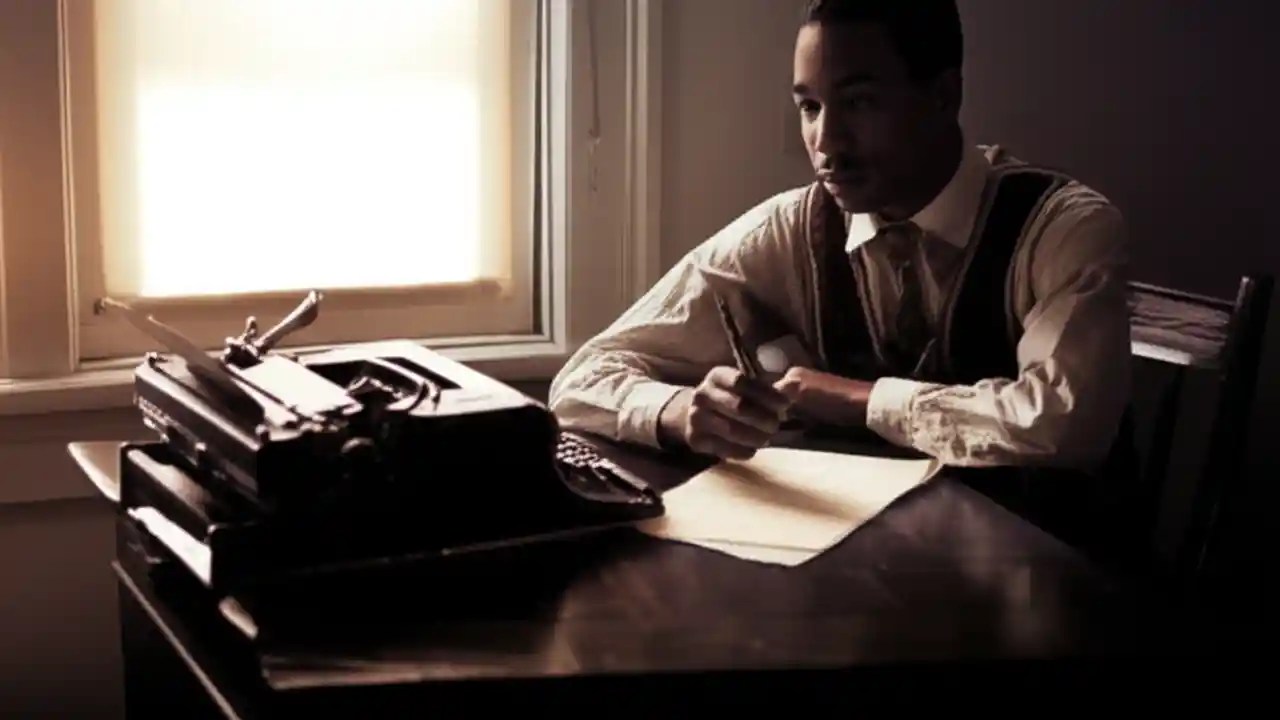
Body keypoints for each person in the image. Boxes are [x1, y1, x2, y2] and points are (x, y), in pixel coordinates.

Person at [548, 0, 1137, 554]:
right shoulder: (791, 230)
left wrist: (859, 401)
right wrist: (682, 413)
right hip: (870, 576)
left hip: (1050, 597)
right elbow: (582, 380)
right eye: (809, 106)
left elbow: (1064, 422)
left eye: (858, 103)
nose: (826, 142)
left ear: (942, 95)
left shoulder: (1062, 228)